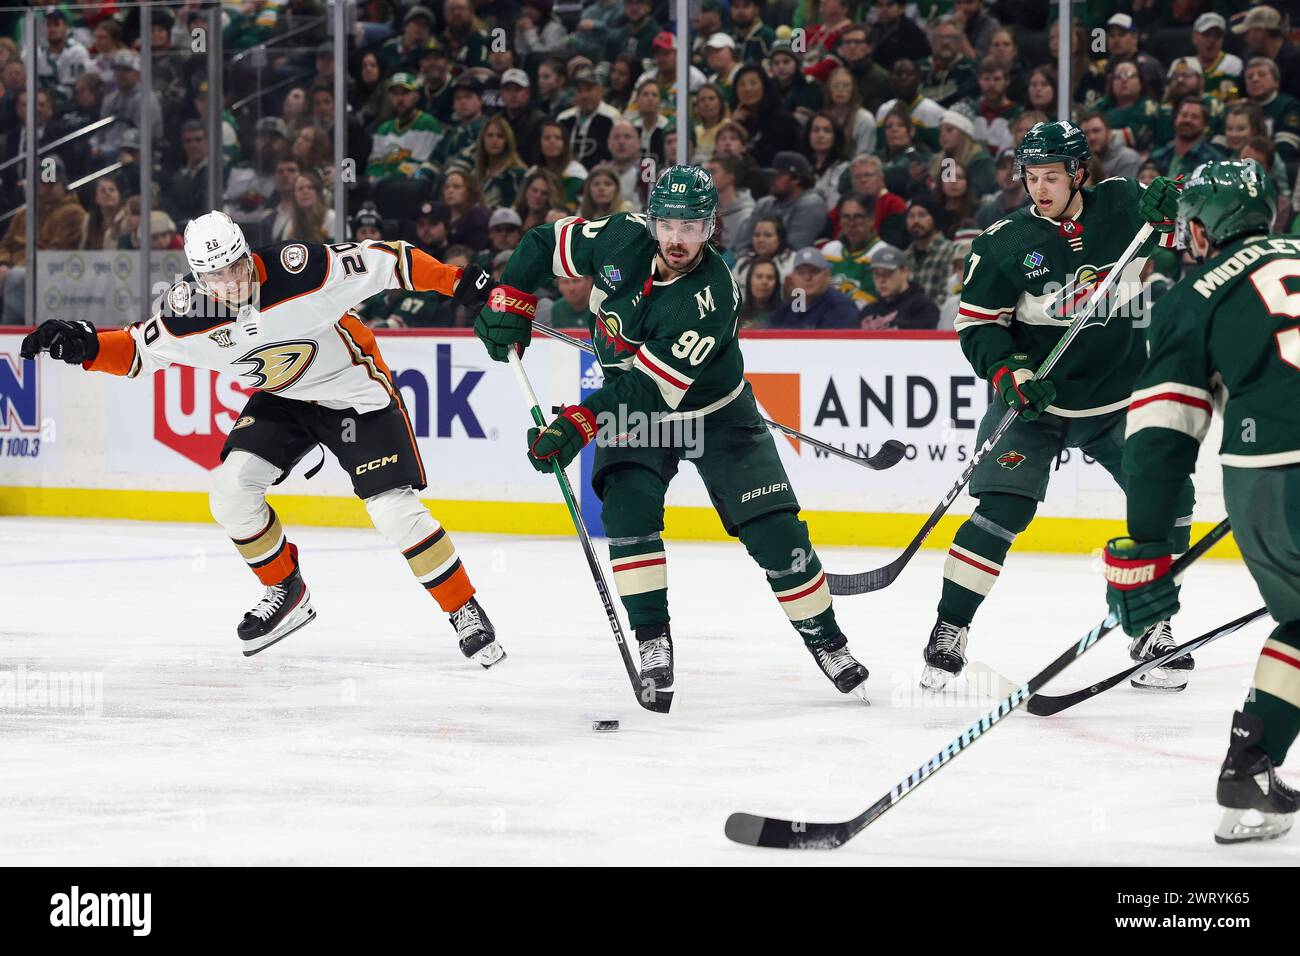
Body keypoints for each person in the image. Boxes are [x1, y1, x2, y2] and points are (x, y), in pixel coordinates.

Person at [20, 211, 505, 665]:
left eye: (235, 266)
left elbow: (387, 260)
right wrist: (85, 344)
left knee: (393, 511)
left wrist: (456, 281)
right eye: (215, 276)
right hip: (283, 401)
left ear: (246, 251)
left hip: (355, 397)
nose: (230, 282)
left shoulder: (301, 270)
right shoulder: (188, 312)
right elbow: (136, 352)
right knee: (229, 494)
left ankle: (464, 609)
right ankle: (287, 591)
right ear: (196, 276)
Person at [473, 167, 870, 697]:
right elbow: (542, 241)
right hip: (637, 409)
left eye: (691, 226)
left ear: (711, 228)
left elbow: (646, 390)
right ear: (651, 220)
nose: (676, 239)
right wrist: (514, 298)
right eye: (667, 224)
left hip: (714, 415)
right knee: (628, 512)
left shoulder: (709, 295)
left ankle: (826, 639)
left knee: (776, 532)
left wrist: (580, 422)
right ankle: (653, 638)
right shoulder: (620, 236)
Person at [922, 120, 1192, 693]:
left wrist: (1173, 213)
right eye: (1031, 176)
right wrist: (1009, 370)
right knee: (1001, 511)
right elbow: (976, 325)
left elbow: (1173, 241)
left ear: (1079, 174)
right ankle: (950, 628)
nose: (1039, 188)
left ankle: (1151, 627)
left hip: (1116, 396)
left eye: (1051, 176)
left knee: (1170, 497)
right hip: (1037, 400)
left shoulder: (1121, 203)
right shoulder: (1002, 242)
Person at [1102, 158, 1299, 844]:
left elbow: (1160, 438)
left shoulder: (1190, 297)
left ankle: (1250, 768)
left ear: (1202, 225)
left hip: (1260, 479)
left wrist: (1149, 551)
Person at [733, 152, 828, 255]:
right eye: (771, 175)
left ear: (796, 179)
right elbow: (743, 244)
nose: (772, 180)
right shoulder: (765, 203)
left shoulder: (811, 204)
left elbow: (793, 250)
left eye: (778, 176)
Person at [767, 247, 862, 330]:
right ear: (793, 277)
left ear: (827, 275)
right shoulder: (788, 308)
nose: (808, 278)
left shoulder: (842, 307)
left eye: (814, 272)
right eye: (801, 272)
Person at [857, 243, 939, 329]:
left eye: (888, 273)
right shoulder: (868, 311)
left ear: (905, 272)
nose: (881, 280)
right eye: (876, 274)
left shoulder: (923, 307)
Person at [903, 195, 956, 304]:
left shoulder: (949, 251)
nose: (916, 221)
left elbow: (948, 294)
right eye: (911, 216)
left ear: (933, 218)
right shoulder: (904, 256)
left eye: (922, 215)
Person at [739, 257, 782, 327]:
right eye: (759, 277)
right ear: (749, 280)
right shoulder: (736, 313)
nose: (764, 282)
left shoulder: (785, 315)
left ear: (776, 283)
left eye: (770, 277)